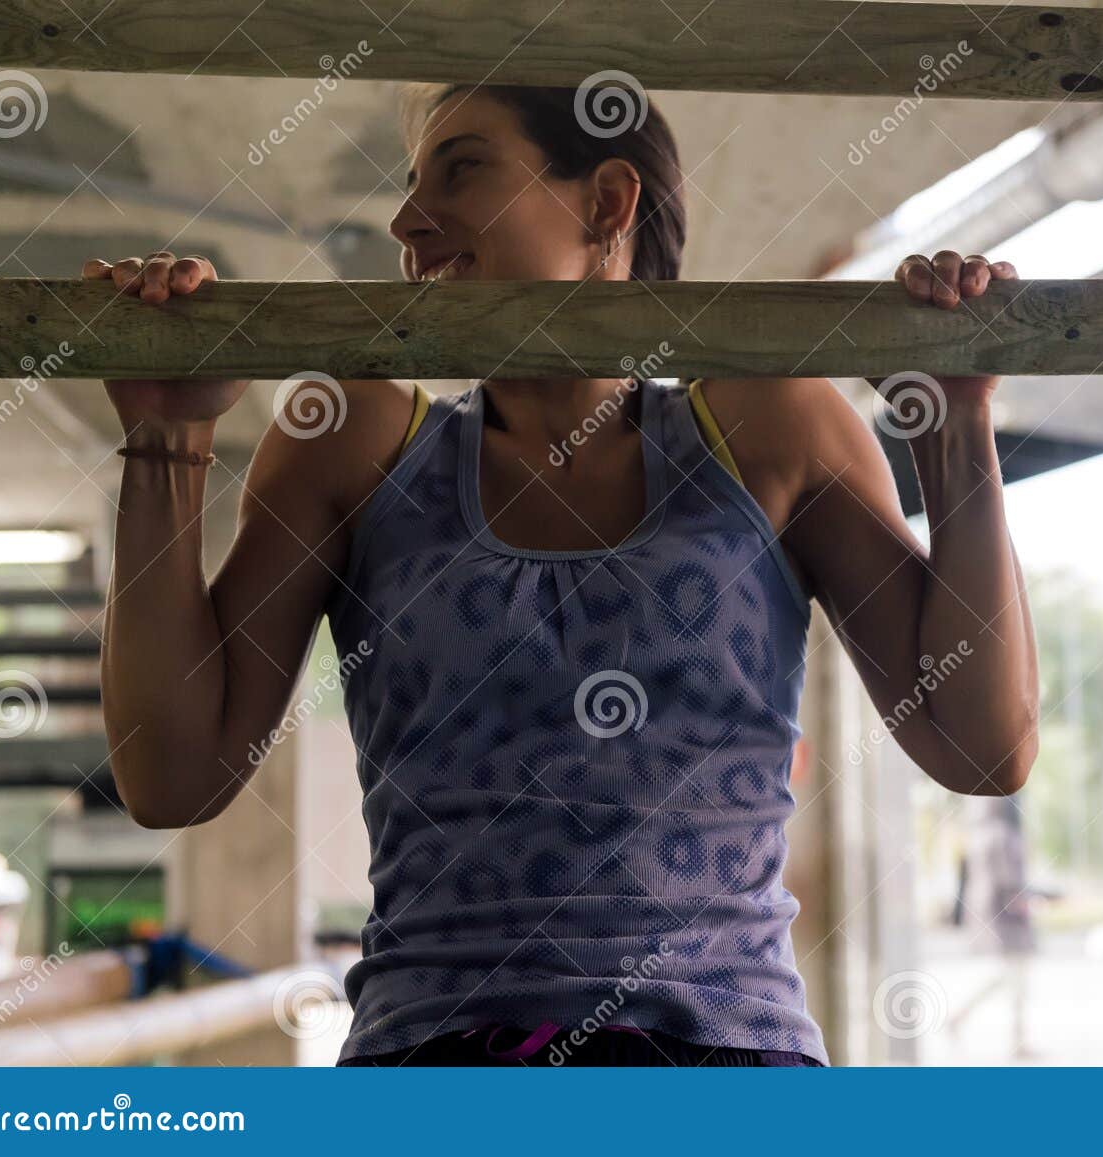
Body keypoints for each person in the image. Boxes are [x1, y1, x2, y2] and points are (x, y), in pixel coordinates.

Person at [89, 82, 1039, 1067]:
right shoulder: (355, 438)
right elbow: (172, 776)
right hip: (437, 1060)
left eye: (462, 169)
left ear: (607, 203)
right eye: (412, 188)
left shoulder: (766, 423)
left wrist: (957, 421)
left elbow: (982, 747)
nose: (407, 222)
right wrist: (165, 433)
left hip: (718, 1058)